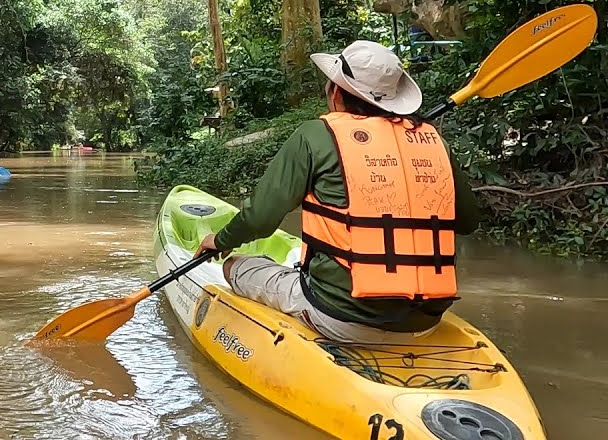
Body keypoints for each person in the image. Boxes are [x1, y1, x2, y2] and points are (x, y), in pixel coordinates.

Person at [198, 40, 480, 343]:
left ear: (335, 92)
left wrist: (220, 240)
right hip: (426, 319)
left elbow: (259, 219)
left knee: (235, 267)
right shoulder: (433, 142)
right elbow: (468, 222)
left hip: (339, 317)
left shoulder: (315, 136)